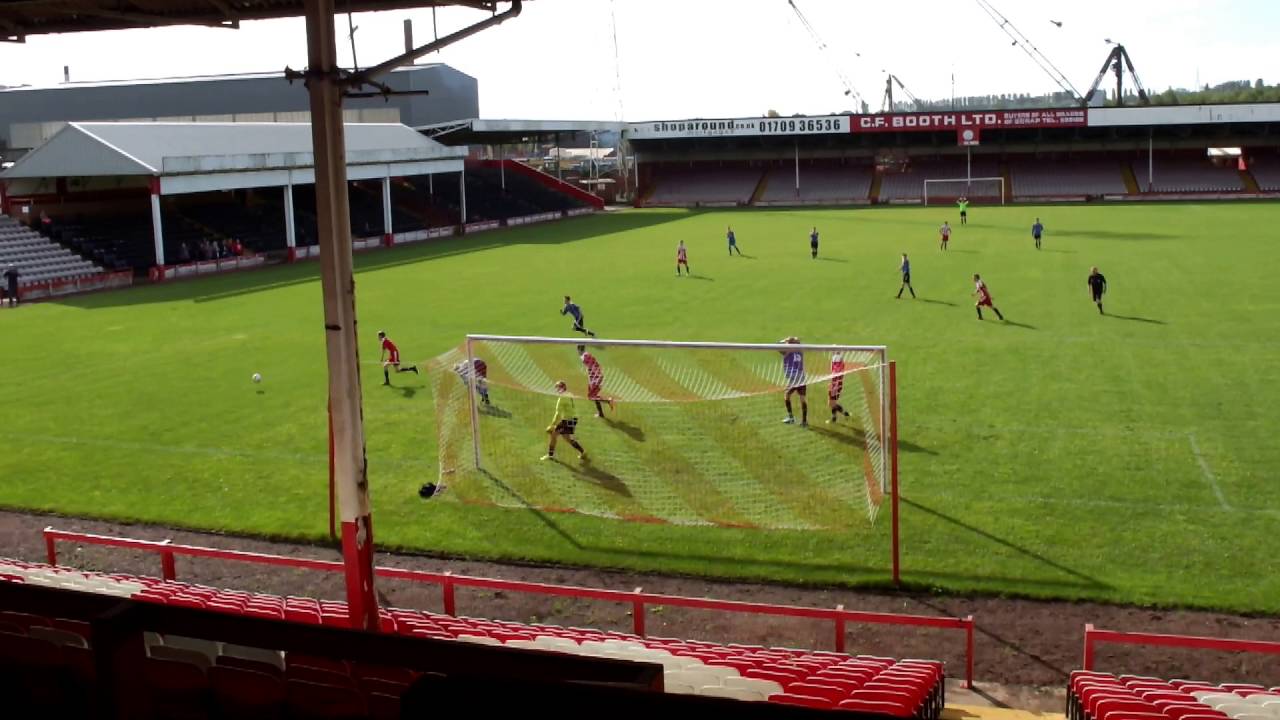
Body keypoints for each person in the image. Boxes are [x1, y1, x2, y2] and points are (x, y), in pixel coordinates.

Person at [542, 381, 587, 461]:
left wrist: (552, 424)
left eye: (557, 387)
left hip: (568, 419)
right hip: (573, 419)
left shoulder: (562, 398)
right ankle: (582, 452)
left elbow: (558, 413)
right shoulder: (569, 394)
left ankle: (550, 455)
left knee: (553, 434)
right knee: (567, 438)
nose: (556, 389)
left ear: (562, 388)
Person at [578, 344, 615, 417]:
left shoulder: (585, 357)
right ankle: (601, 413)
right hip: (592, 378)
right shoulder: (586, 355)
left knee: (591, 396)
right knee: (593, 396)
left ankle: (608, 401)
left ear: (579, 349)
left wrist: (598, 377)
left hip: (595, 378)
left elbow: (593, 366)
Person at [780, 336, 808, 426]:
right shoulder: (800, 351)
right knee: (802, 398)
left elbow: (777, 345)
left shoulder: (787, 351)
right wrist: (793, 340)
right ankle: (804, 421)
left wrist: (785, 340)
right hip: (801, 377)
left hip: (794, 378)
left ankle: (791, 417)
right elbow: (799, 342)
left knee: (786, 395)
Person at [827, 352, 852, 424]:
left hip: (836, 384)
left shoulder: (838, 360)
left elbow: (836, 371)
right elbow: (833, 371)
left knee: (831, 403)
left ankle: (843, 414)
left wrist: (834, 384)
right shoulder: (837, 360)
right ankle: (836, 417)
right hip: (835, 383)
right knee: (832, 402)